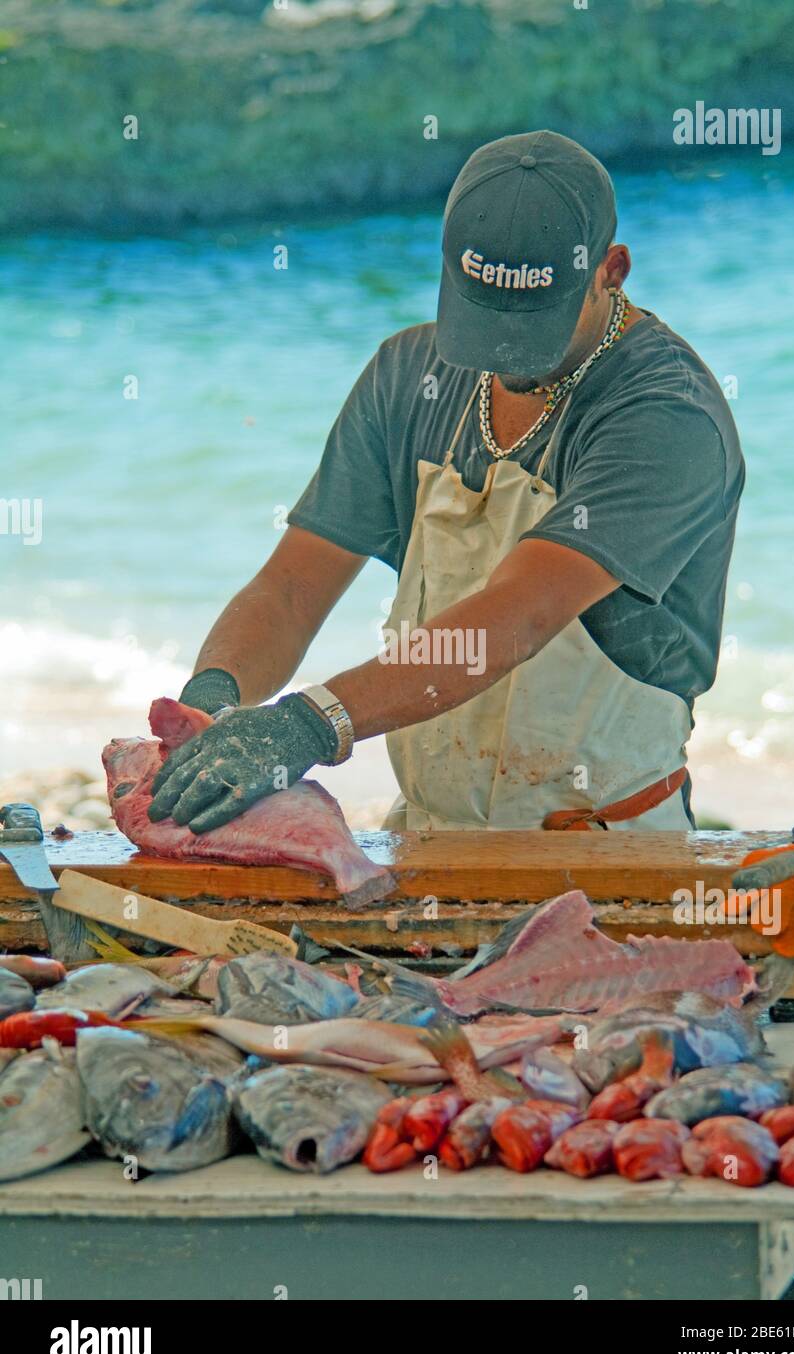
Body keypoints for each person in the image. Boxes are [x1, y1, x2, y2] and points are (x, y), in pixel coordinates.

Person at [149, 130, 744, 836]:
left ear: (609, 270)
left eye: (535, 322)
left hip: (607, 839)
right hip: (426, 835)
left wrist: (311, 723)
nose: (505, 351)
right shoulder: (406, 374)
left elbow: (517, 614)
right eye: (486, 319)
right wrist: (211, 701)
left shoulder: (665, 413)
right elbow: (292, 587)